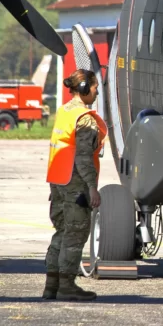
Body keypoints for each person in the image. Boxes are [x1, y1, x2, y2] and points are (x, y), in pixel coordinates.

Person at [43, 69, 107, 302]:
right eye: (95, 87)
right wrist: (92, 187)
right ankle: (67, 286)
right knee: (75, 234)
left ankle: (52, 285)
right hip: (75, 183)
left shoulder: (64, 111)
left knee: (61, 232)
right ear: (84, 88)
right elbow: (83, 157)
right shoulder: (84, 118)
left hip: (58, 181)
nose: (96, 92)